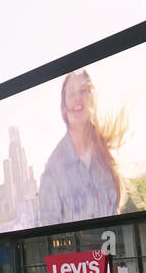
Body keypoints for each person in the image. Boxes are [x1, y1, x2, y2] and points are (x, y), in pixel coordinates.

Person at [37, 69, 126, 227]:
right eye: (71, 94)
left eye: (83, 91)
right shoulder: (53, 169)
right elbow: (49, 236)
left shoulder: (107, 151)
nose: (78, 98)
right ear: (63, 107)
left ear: (92, 98)